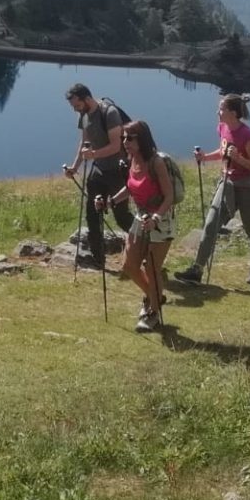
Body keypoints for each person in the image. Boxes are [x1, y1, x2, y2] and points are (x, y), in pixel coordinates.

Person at [173, 94, 250, 286]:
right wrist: (204, 157)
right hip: (227, 184)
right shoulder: (222, 127)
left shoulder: (247, 135)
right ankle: (197, 270)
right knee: (211, 224)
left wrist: (239, 158)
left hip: (246, 187)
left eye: (221, 109)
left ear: (232, 113)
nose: (218, 112)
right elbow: (223, 151)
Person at [94, 119, 176, 332]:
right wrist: (110, 202)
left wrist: (156, 218)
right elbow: (131, 188)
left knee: (151, 268)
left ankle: (153, 312)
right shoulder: (132, 160)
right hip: (141, 218)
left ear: (143, 139)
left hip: (160, 221)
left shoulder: (156, 162)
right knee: (129, 265)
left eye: (130, 138)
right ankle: (154, 297)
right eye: (123, 138)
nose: (125, 142)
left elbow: (169, 196)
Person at [61, 83, 133, 269]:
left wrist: (93, 155)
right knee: (92, 214)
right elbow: (84, 143)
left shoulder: (109, 113)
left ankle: (146, 245)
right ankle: (98, 258)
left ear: (87, 98)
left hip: (117, 171)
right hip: (99, 170)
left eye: (77, 105)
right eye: (73, 107)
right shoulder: (84, 115)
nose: (75, 109)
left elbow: (116, 146)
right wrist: (75, 167)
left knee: (121, 216)